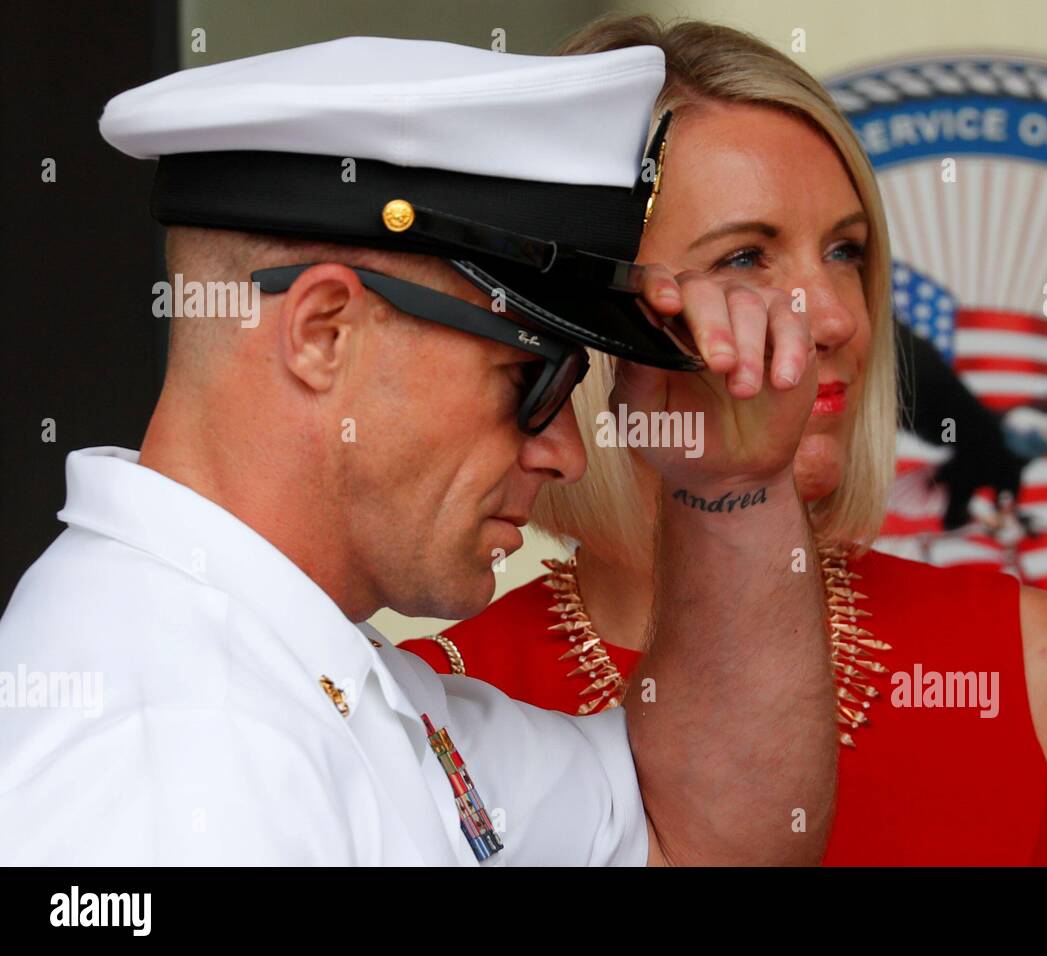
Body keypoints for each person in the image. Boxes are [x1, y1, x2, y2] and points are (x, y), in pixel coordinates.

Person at [0, 36, 838, 866]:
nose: (566, 455)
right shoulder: (180, 753)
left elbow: (697, 835)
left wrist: (733, 482)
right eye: (532, 375)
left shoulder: (288, 660)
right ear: (325, 333)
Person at [405, 16, 1047, 866]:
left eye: (847, 252)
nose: (838, 317)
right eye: (746, 259)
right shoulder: (432, 707)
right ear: (584, 316)